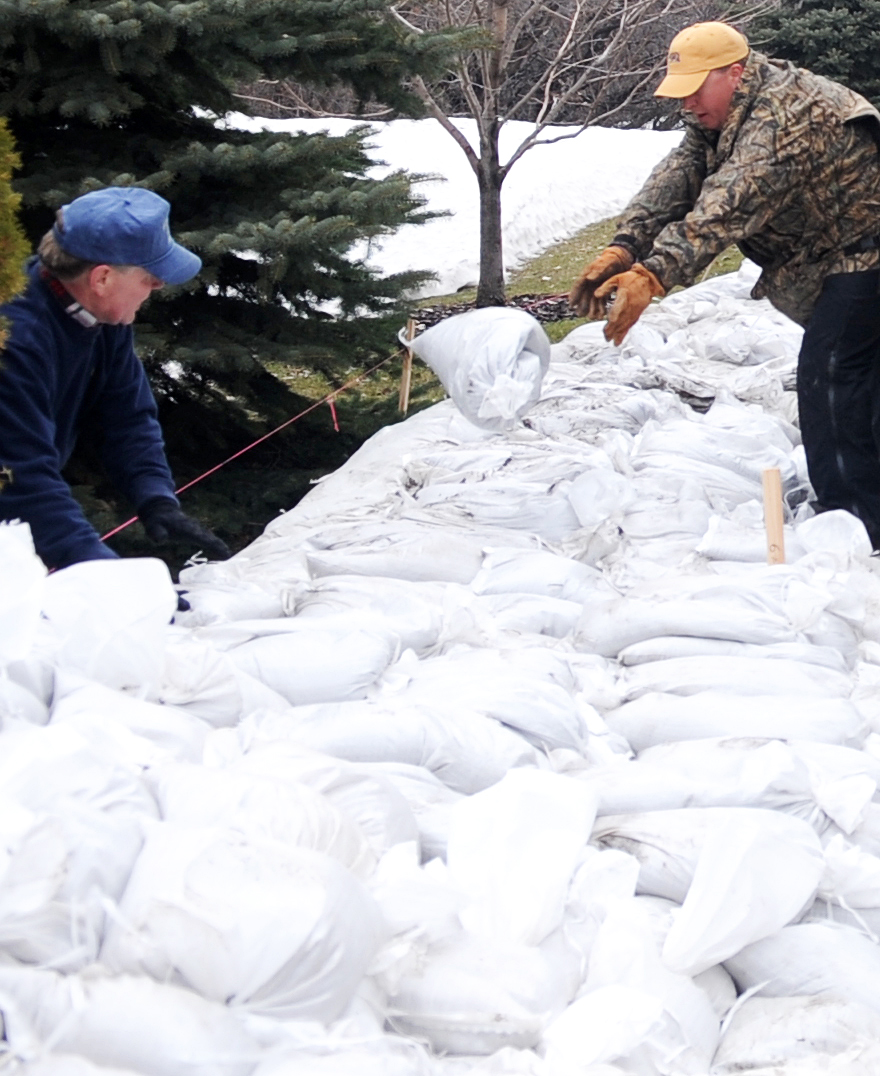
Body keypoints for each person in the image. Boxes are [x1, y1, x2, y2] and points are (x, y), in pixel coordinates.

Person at [569, 22, 880, 547]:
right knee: (860, 376)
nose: (687, 103)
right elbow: (683, 172)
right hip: (836, 253)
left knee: (830, 373)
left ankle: (856, 521)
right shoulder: (729, 108)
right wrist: (624, 245)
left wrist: (654, 273)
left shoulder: (783, 116)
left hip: (866, 251)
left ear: (734, 73)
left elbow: (728, 203)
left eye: (694, 89)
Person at [0, 186, 231, 569]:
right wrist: (102, 573)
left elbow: (125, 414)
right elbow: (19, 477)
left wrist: (155, 497)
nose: (158, 287)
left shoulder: (98, 315)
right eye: (151, 279)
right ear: (102, 278)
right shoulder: (15, 340)